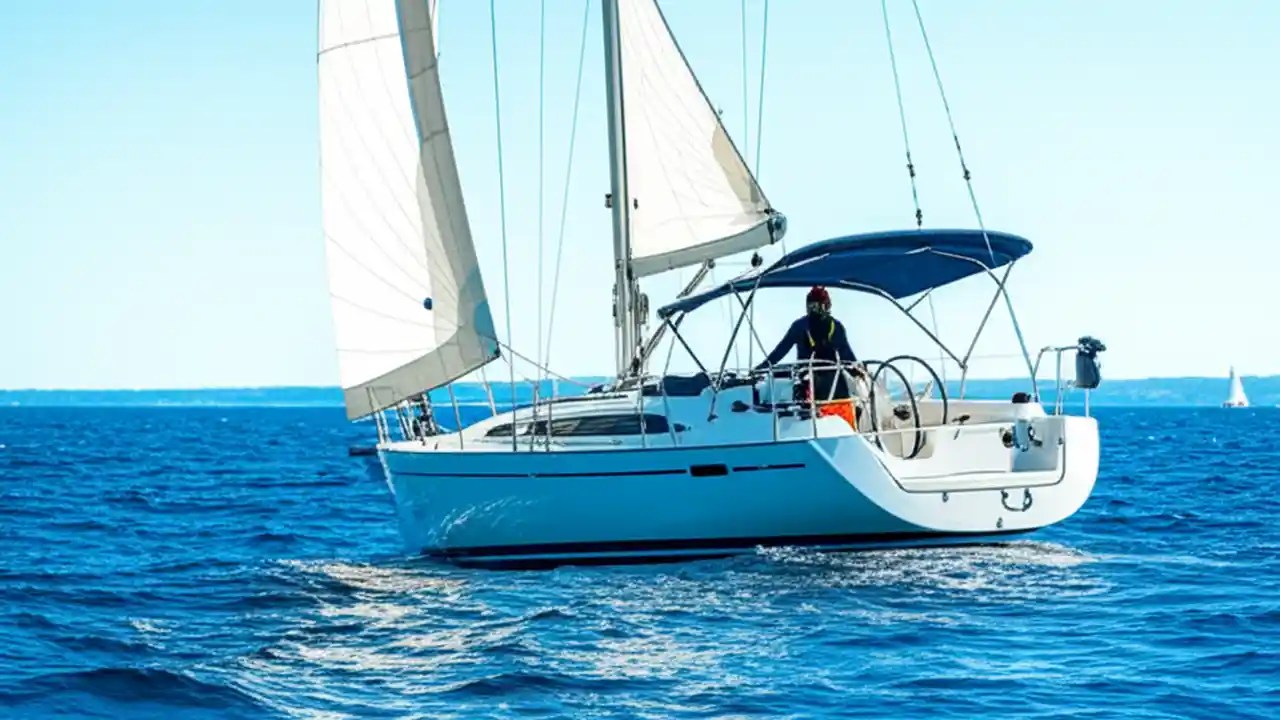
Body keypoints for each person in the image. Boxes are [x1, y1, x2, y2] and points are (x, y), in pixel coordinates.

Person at [754, 286, 860, 403]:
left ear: (826, 306)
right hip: (810, 381)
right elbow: (781, 350)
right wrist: (761, 369)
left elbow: (847, 355)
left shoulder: (835, 327)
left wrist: (858, 370)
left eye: (816, 306)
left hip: (831, 382)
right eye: (810, 306)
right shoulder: (801, 327)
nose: (813, 310)